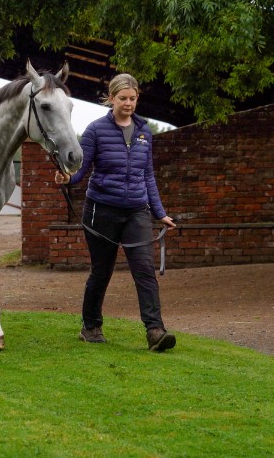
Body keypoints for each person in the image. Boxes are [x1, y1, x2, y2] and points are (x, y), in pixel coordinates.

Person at [55, 73, 177, 352]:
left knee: (144, 269)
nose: (129, 103)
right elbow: (82, 170)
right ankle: (91, 326)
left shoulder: (145, 132)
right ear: (111, 98)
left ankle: (155, 331)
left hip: (136, 211)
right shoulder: (96, 130)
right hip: (101, 210)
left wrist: (160, 213)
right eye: (123, 98)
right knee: (102, 271)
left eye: (133, 98)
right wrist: (67, 180)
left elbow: (148, 177)